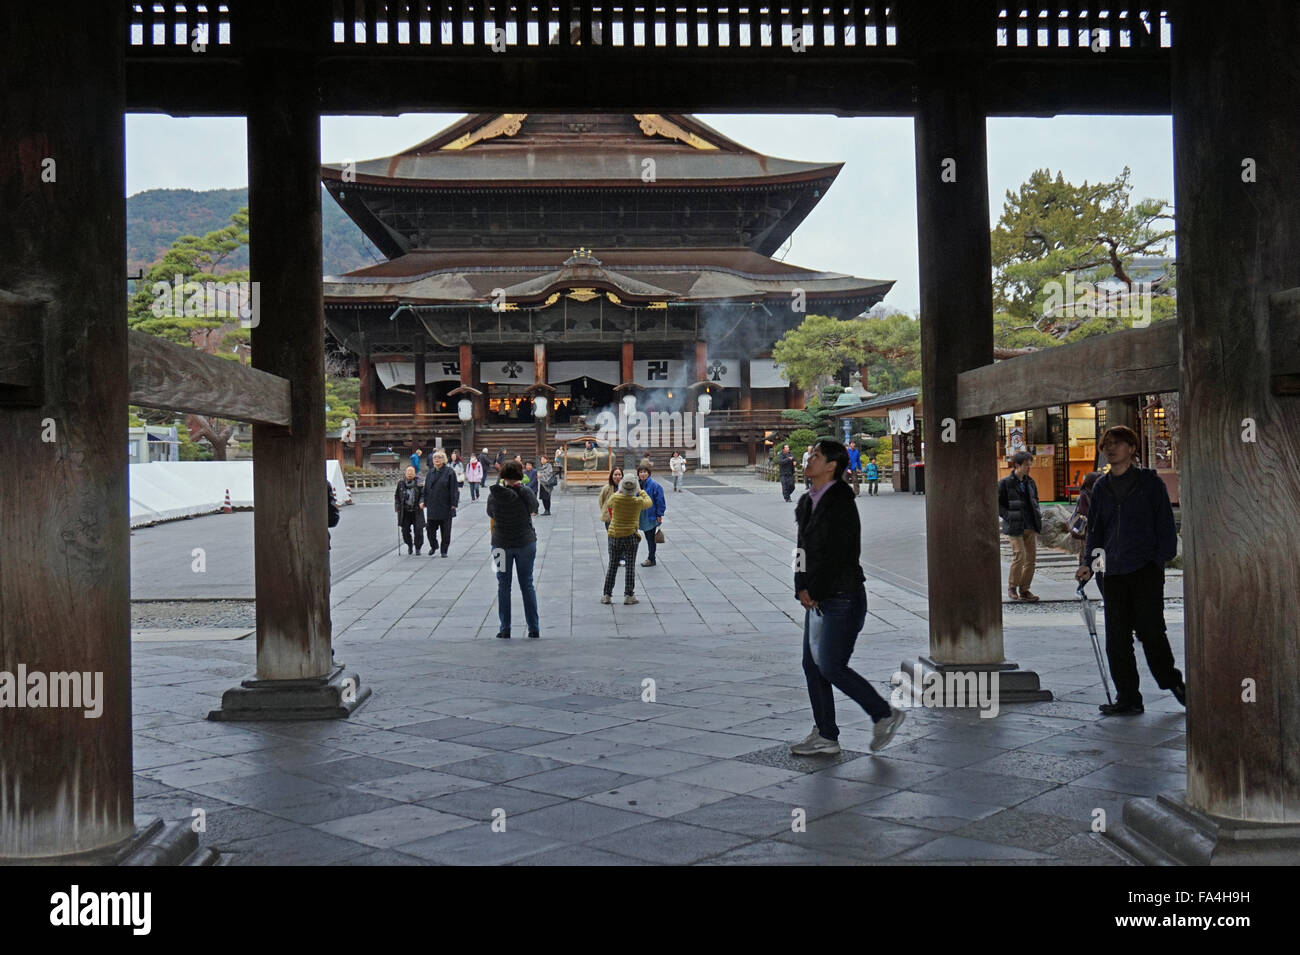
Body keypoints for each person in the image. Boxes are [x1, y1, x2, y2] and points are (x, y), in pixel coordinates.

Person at [791, 439, 905, 756]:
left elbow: (843, 555)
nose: (809, 459)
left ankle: (884, 713)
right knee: (811, 666)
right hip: (816, 597)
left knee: (830, 665)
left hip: (842, 596)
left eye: (816, 456)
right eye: (809, 453)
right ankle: (826, 735)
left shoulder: (841, 503)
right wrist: (800, 584)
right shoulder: (807, 501)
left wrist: (816, 590)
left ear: (831, 466)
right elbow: (800, 549)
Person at [1076, 426, 1184, 716]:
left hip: (1144, 568)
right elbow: (1096, 529)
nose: (1110, 449)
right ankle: (1128, 697)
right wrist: (1089, 564)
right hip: (1111, 572)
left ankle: (1172, 681)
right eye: (1106, 445)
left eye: (1117, 443)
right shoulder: (1100, 486)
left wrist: (1160, 558)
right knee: (1117, 636)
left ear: (1132, 448)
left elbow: (1164, 522)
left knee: (1150, 631)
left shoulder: (1149, 483)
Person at [487, 461, 540, 639]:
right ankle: (533, 627)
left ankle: (505, 628)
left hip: (500, 544)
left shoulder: (494, 494)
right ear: (519, 474)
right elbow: (534, 508)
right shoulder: (525, 492)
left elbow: (490, 513)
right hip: (525, 543)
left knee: (503, 585)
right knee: (527, 584)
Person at [999, 451, 1042, 602]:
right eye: (1026, 465)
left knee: (1031, 559)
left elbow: (1035, 499)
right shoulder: (1005, 483)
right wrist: (1008, 516)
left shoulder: (1030, 482)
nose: (1029, 468)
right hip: (1015, 525)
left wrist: (1037, 517)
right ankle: (1012, 586)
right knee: (1020, 555)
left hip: (1030, 524)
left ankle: (1025, 589)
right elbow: (998, 503)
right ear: (1017, 465)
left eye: (1030, 464)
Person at [603, 475, 653, 605]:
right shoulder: (637, 502)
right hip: (630, 536)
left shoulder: (615, 498)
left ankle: (607, 595)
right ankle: (629, 595)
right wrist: (640, 490)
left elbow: (608, 503)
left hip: (614, 535)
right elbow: (649, 501)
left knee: (612, 565)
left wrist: (619, 491)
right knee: (630, 566)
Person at [421, 448, 459, 557]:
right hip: (432, 505)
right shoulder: (430, 473)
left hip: (445, 505)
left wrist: (454, 503)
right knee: (429, 530)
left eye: (439, 457)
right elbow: (426, 489)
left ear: (444, 459)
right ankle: (434, 545)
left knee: (445, 530)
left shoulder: (449, 472)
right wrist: (423, 500)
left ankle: (444, 550)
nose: (436, 459)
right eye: (434, 458)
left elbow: (454, 489)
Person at [637, 464, 666, 567]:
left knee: (650, 538)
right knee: (647, 536)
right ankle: (651, 557)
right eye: (641, 472)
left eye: (645, 472)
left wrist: (659, 514)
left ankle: (651, 558)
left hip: (651, 515)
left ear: (648, 473)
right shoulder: (638, 485)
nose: (643, 474)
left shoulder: (654, 485)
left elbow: (660, 500)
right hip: (641, 515)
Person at [394, 465, 424, 554]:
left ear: (415, 473)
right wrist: (397, 506)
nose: (410, 474)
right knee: (405, 531)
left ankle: (418, 547)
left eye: (412, 472)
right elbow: (397, 496)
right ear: (405, 473)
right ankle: (409, 544)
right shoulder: (401, 483)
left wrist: (421, 502)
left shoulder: (419, 484)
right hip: (405, 511)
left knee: (418, 531)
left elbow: (423, 495)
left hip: (416, 510)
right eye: (408, 472)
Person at [598, 466, 624, 531]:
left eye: (619, 475)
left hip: (621, 515)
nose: (617, 477)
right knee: (610, 536)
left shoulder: (625, 488)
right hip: (609, 516)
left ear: (622, 476)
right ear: (612, 476)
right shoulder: (606, 488)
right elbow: (601, 500)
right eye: (615, 474)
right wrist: (605, 510)